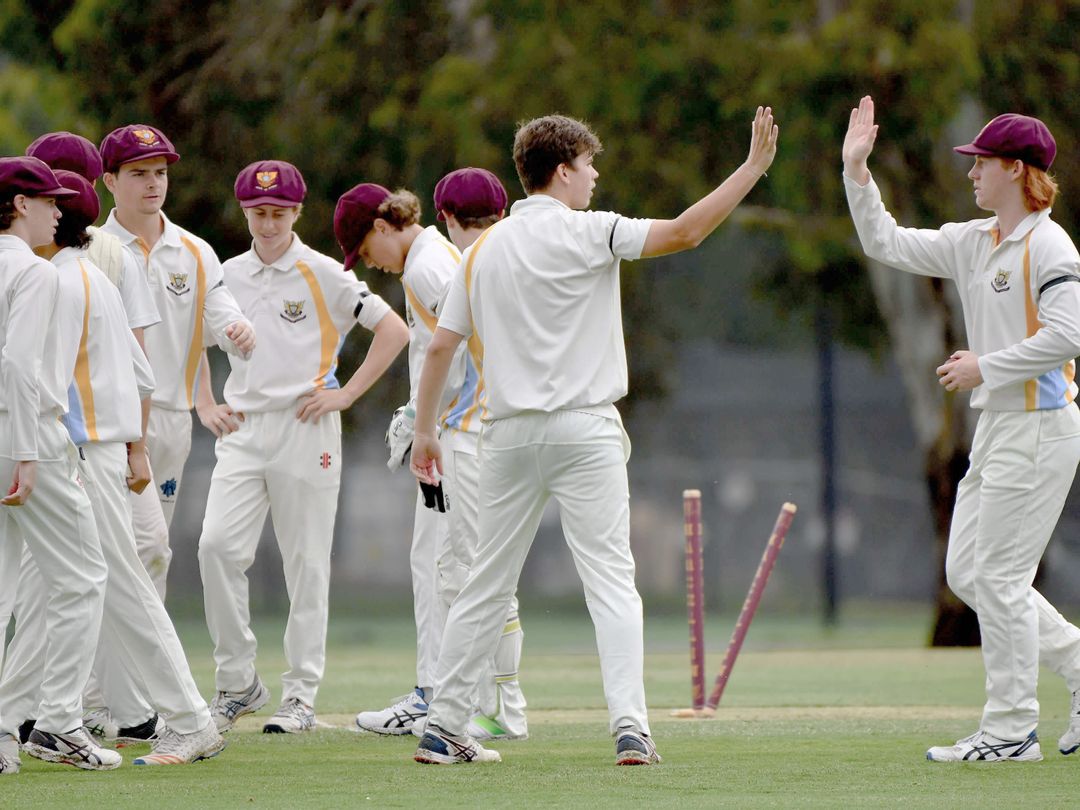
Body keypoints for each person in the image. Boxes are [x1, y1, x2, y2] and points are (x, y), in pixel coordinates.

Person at [409, 109, 778, 765]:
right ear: (562, 171)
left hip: (509, 436)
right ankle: (630, 728)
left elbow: (440, 348)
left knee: (485, 583)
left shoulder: (481, 251)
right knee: (611, 582)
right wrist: (750, 169)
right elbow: (688, 231)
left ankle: (444, 725)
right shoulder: (592, 232)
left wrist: (426, 431)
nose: (596, 176)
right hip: (586, 430)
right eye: (588, 164)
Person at [843, 96, 1080, 763]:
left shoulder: (1050, 243)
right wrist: (857, 173)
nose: (972, 173)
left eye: (982, 163)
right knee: (971, 573)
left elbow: (1069, 335)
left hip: (1039, 426)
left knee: (999, 578)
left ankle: (1010, 732)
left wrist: (987, 366)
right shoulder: (973, 243)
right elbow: (883, 242)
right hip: (1001, 430)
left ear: (1015, 168)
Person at [0, 169, 225, 766]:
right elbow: (145, 373)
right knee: (57, 589)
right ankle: (21, 723)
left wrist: (119, 445)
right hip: (90, 448)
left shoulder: (53, 281)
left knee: (110, 586)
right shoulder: (92, 276)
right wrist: (136, 444)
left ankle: (189, 718)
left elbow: (34, 376)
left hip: (74, 450)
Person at [198, 161, 408, 734]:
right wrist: (202, 402)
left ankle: (300, 696)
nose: (268, 224)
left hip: (305, 425)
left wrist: (346, 397)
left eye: (279, 213)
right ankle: (237, 682)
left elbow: (395, 331)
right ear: (245, 212)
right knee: (215, 548)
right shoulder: (222, 274)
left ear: (297, 213)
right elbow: (191, 338)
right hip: (242, 429)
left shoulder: (324, 272)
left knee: (306, 563)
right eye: (258, 213)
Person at [25, 131, 163, 742]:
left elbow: (135, 359)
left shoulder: (105, 258)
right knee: (63, 580)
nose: (55, 199)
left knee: (105, 570)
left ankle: (100, 710)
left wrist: (138, 445)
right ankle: (48, 715)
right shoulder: (28, 262)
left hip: (84, 442)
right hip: (57, 443)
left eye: (62, 186)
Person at [98, 124, 254, 598]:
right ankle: (93, 675)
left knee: (154, 551)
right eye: (139, 173)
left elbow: (220, 314)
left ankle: (142, 671)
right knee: (112, 548)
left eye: (160, 173)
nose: (153, 183)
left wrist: (238, 332)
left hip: (169, 420)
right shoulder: (93, 250)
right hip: (105, 422)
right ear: (109, 181)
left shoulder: (194, 251)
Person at [0, 156, 117, 772]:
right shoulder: (34, 272)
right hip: (28, 436)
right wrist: (25, 451)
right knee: (81, 578)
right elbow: (20, 368)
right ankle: (59, 722)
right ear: (20, 206)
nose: (58, 210)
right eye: (48, 201)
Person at [338, 183, 466, 736]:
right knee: (435, 561)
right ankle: (437, 693)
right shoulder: (434, 256)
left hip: (454, 434)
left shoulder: (424, 267)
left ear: (385, 225)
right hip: (452, 427)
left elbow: (462, 347)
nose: (372, 265)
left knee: (440, 564)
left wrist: (426, 422)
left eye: (367, 251)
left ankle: (437, 697)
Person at [410, 167, 528, 743]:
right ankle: (500, 703)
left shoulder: (467, 268)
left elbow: (442, 352)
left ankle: (500, 708)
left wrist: (420, 424)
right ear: (503, 214)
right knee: (487, 570)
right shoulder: (521, 262)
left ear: (445, 219)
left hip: (471, 434)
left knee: (468, 573)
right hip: (518, 431)